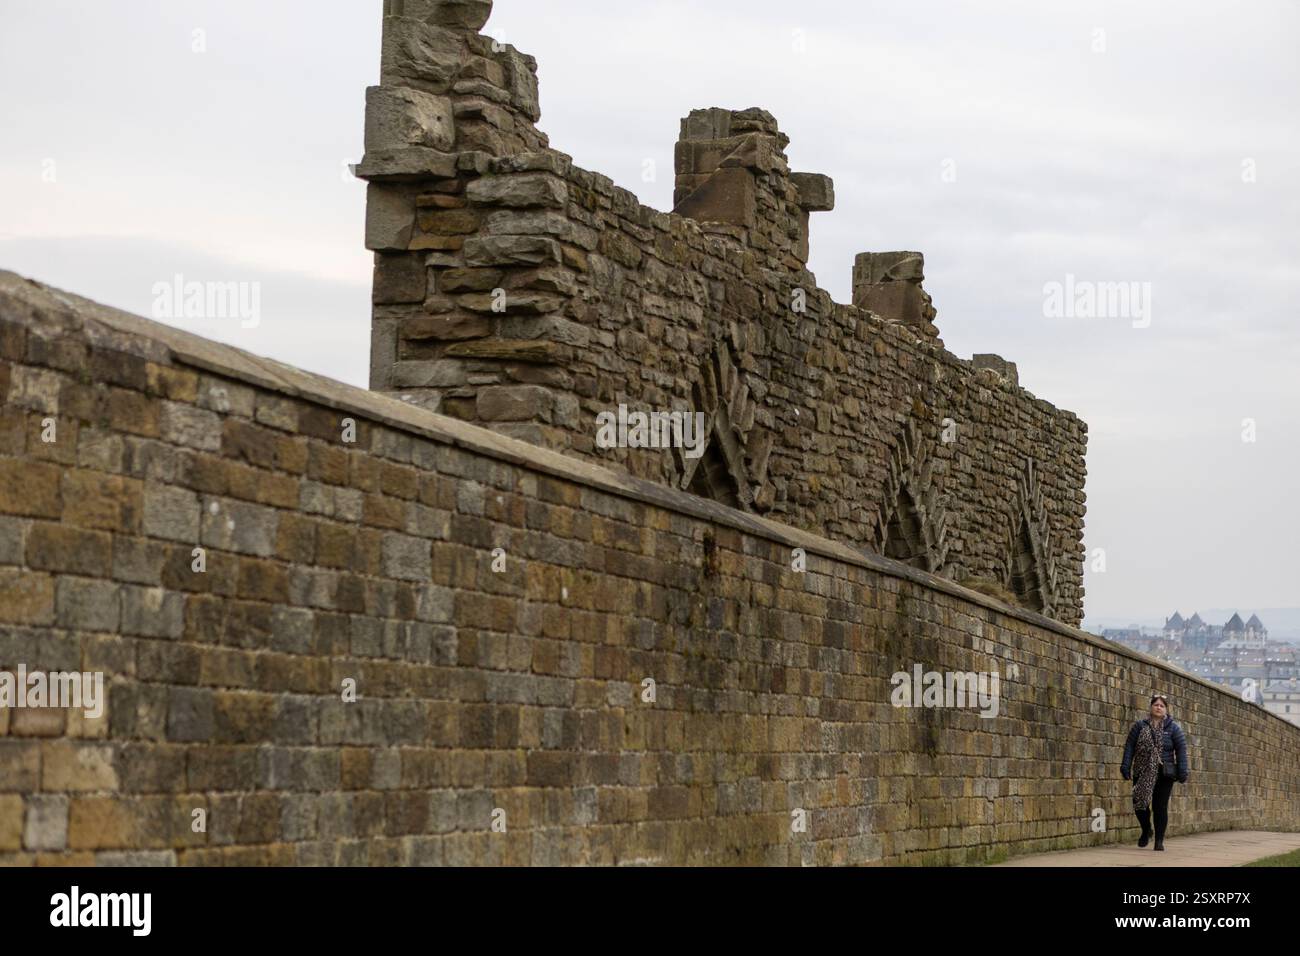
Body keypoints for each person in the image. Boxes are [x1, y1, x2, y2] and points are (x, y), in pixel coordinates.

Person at [1120, 694, 1189, 851]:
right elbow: (1130, 746)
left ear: (1166, 710)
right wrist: (1125, 765)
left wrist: (1183, 771)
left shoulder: (1173, 728)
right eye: (1156, 705)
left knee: (1160, 806)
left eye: (1162, 705)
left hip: (1164, 773)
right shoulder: (1139, 726)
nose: (1158, 707)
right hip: (1142, 770)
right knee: (1140, 804)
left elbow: (1181, 751)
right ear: (1151, 707)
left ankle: (1159, 841)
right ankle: (1146, 830)